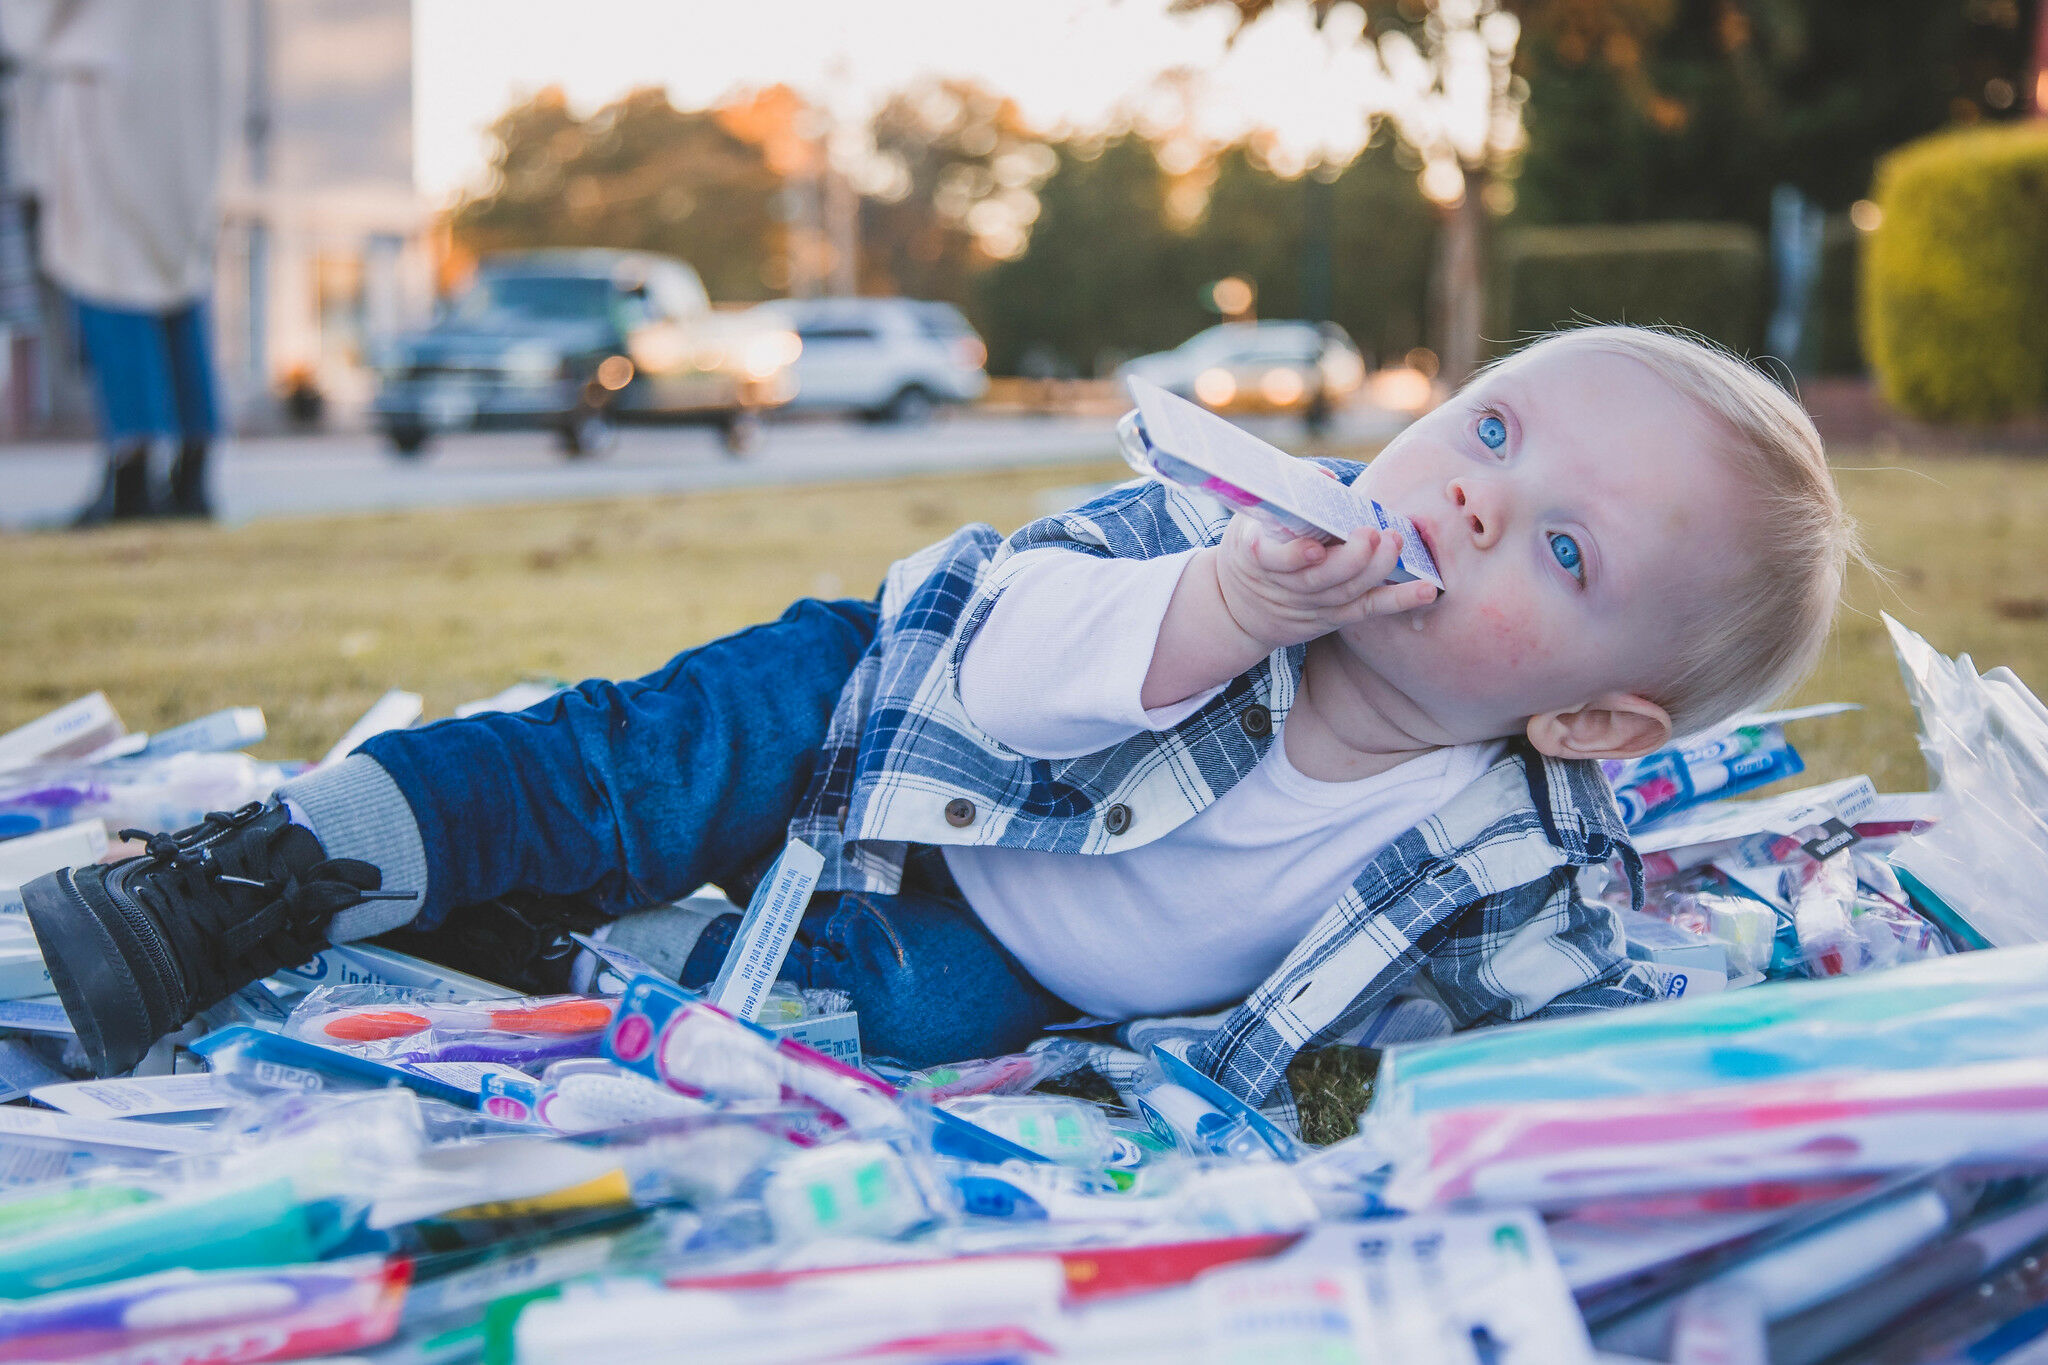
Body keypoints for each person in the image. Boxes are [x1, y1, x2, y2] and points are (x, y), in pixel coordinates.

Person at [22, 326, 1860, 1113]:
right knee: (625, 762)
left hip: (1008, 944)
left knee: (866, 1026)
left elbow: (1536, 1029)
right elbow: (1009, 673)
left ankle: (563, 954)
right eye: (1488, 428)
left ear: (1597, 725)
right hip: (876, 716)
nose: (1472, 497)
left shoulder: (1512, 852)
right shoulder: (1224, 544)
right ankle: (254, 876)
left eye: (1558, 541)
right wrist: (1227, 611)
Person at [1, 0, 226, 522]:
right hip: (187, 103)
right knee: (177, 276)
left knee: (109, 271)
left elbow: (30, 20)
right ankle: (192, 466)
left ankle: (132, 466)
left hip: (108, 89)